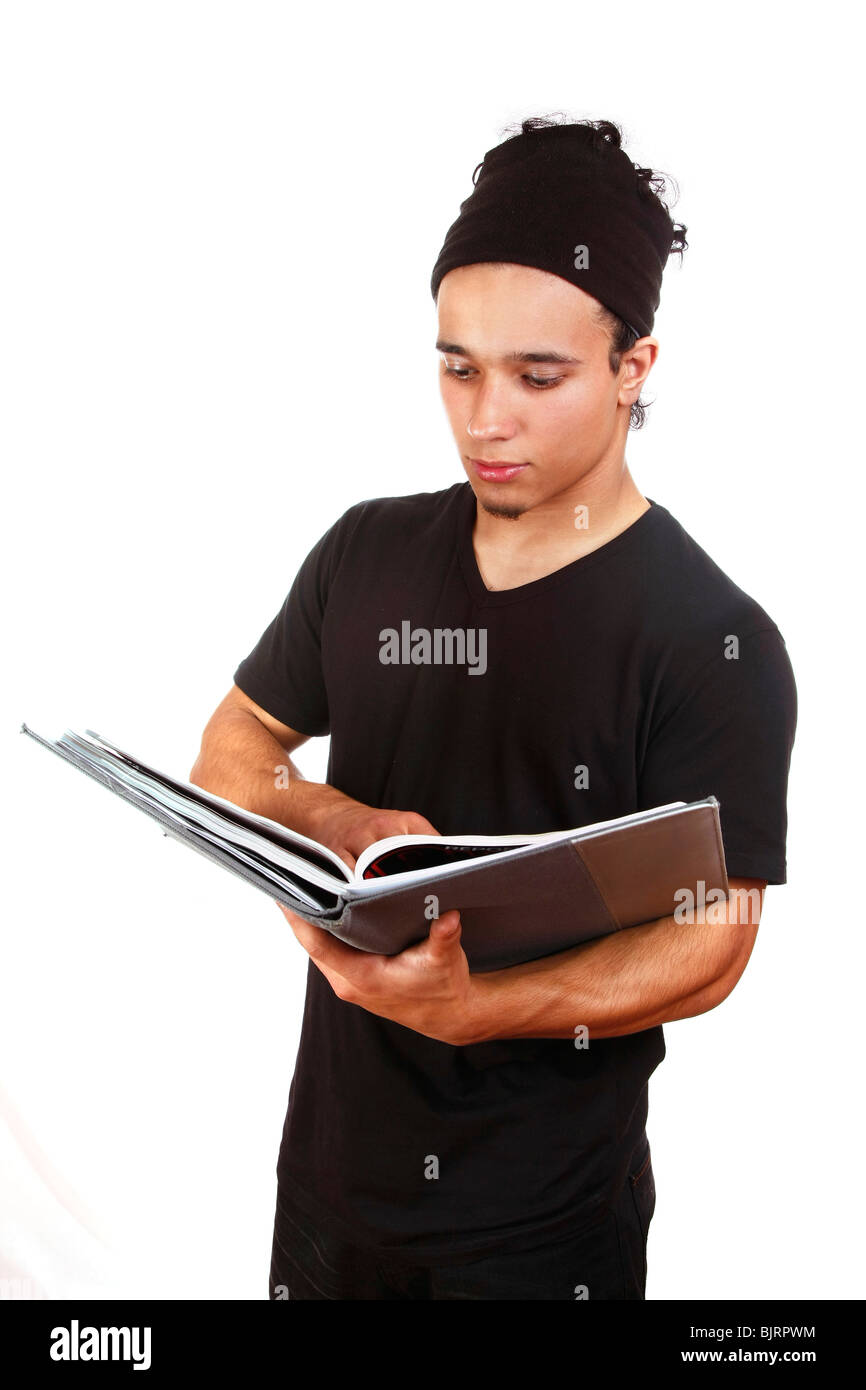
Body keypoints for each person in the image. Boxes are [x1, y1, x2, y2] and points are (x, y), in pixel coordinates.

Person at [190, 115, 797, 1300]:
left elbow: (711, 936)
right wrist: (328, 820)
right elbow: (231, 750)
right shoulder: (363, 553)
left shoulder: (710, 638)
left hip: (540, 1234)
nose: (484, 417)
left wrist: (483, 1010)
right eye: (456, 366)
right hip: (325, 1194)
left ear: (633, 370)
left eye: (537, 375)